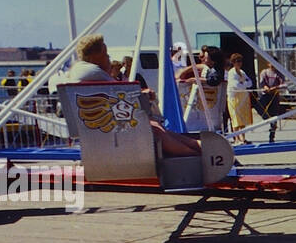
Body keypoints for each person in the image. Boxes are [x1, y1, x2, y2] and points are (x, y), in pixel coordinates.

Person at [67, 33, 200, 158]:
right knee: (155, 129)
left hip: (98, 128)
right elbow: (122, 92)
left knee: (155, 126)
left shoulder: (80, 70)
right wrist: (144, 94)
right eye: (106, 54)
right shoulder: (94, 71)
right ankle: (195, 154)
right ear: (95, 56)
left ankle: (198, 147)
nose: (109, 58)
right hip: (110, 129)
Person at [226, 53, 254, 145]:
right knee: (235, 119)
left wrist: (243, 84)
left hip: (243, 97)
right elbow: (235, 85)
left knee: (242, 119)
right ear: (233, 62)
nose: (239, 63)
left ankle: (243, 138)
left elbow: (250, 83)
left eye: (240, 61)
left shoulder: (242, 72)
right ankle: (237, 139)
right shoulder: (231, 72)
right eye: (237, 61)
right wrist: (243, 84)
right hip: (234, 98)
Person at [256, 62, 286, 143]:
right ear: (268, 63)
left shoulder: (279, 74)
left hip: (274, 96)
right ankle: (267, 119)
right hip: (265, 95)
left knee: (274, 115)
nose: (273, 65)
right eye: (271, 63)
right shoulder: (264, 72)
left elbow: (284, 84)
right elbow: (262, 82)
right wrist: (266, 87)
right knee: (258, 106)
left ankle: (272, 136)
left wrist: (275, 88)